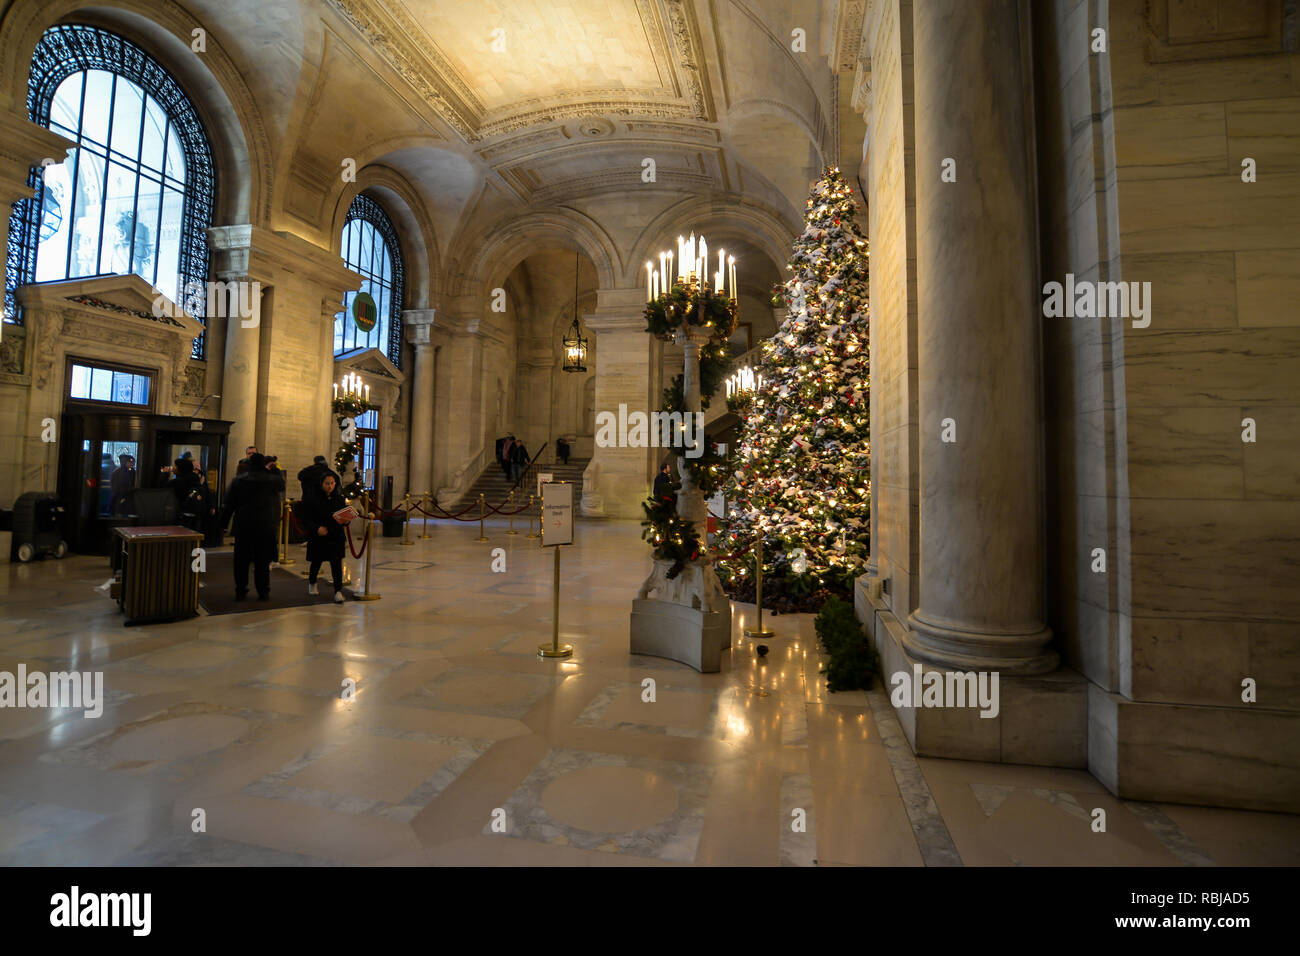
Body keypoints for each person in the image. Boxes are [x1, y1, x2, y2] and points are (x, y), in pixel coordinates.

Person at [220, 453, 282, 601]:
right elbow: (281, 484)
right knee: (262, 560)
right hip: (265, 525)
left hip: (244, 524)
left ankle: (240, 590)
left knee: (241, 560)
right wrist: (273, 470)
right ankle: (263, 591)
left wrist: (223, 524)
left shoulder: (238, 480)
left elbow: (229, 504)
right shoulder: (272, 480)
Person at [304, 473, 349, 604]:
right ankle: (312, 582)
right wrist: (316, 528)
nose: (330, 486)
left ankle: (338, 591)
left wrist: (346, 521)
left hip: (335, 535)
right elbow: (307, 518)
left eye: (332, 483)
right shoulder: (312, 498)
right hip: (319, 536)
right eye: (327, 483)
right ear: (321, 484)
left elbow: (343, 515)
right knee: (316, 561)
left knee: (336, 564)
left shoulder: (339, 498)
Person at [171, 457, 211, 532]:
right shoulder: (198, 480)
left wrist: (164, 472)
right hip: (196, 513)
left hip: (183, 513)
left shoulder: (179, 481)